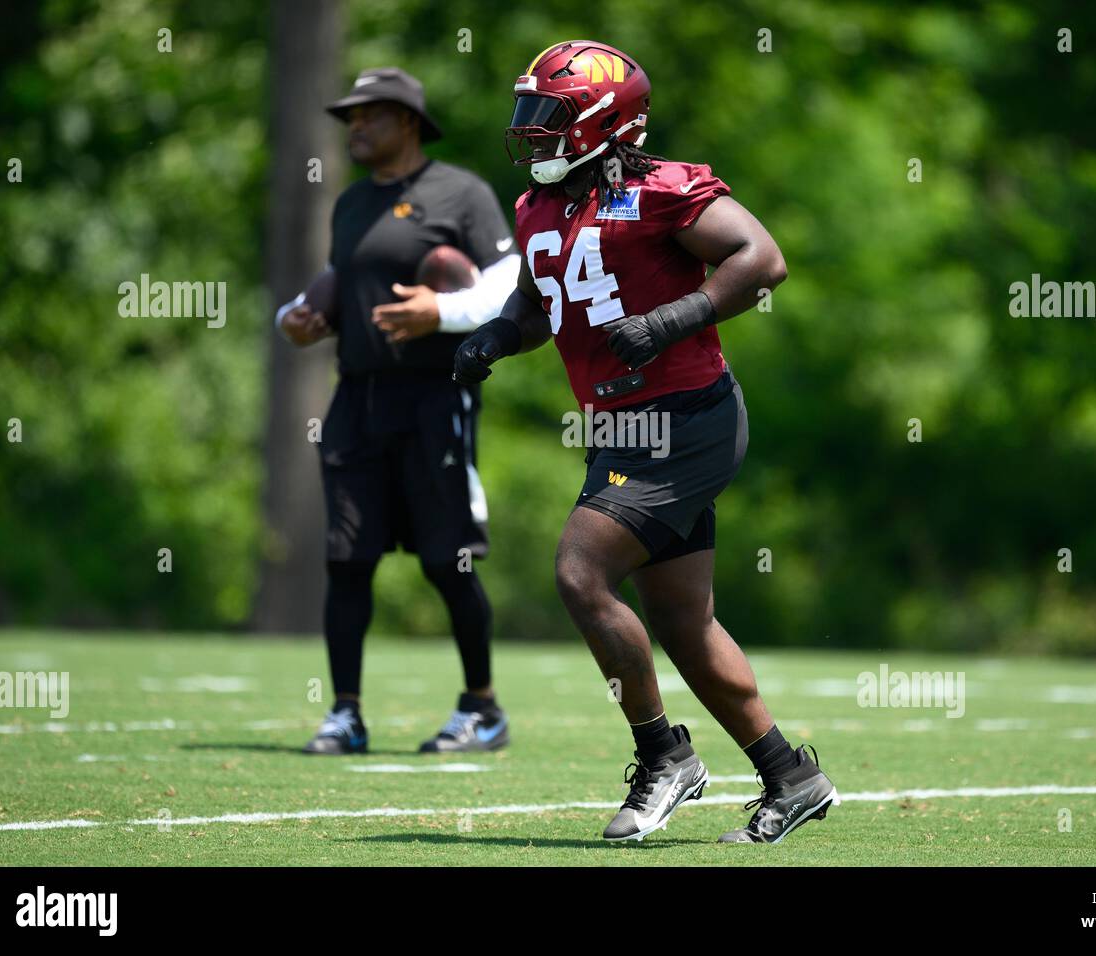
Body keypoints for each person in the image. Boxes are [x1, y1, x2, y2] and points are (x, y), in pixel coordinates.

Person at [453, 41, 838, 843]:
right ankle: (791, 777)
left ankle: (664, 756)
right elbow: (541, 301)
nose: (529, 133)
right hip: (620, 427)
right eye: (527, 114)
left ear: (603, 121)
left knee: (580, 570)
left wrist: (672, 318)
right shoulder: (537, 208)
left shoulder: (665, 190)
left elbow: (761, 257)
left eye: (547, 117)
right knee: (683, 620)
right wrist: (495, 335)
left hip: (686, 418)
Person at [277, 67, 518, 754]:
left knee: (451, 562)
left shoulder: (462, 193)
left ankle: (483, 708)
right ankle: (346, 713)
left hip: (436, 397)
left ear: (408, 120)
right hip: (357, 399)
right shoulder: (351, 203)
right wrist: (294, 319)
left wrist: (437, 312)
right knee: (347, 560)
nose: (354, 127)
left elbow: (508, 289)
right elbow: (334, 285)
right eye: (349, 117)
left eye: (369, 115)